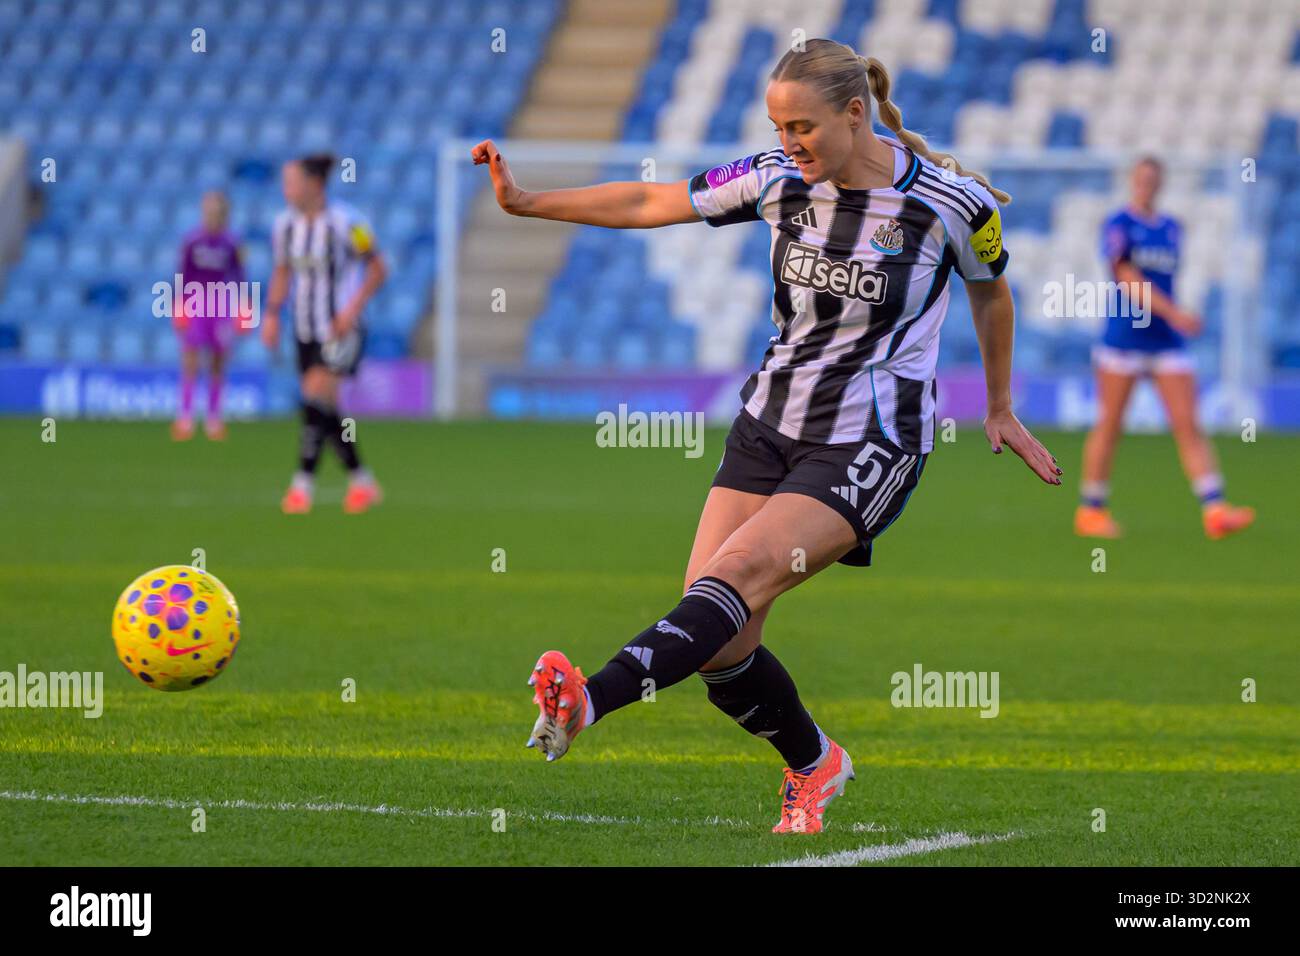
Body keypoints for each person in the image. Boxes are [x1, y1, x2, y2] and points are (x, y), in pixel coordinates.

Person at [476, 38, 1060, 833]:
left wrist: (998, 405)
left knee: (741, 573)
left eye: (802, 127)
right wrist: (529, 202)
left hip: (871, 442)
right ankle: (816, 762)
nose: (789, 143)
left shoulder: (951, 206)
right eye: (779, 127)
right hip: (769, 423)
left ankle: (586, 702)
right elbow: (654, 202)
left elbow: (993, 295)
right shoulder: (776, 178)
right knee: (717, 639)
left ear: (856, 115)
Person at [1075, 157, 1254, 540]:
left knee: (1188, 422)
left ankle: (1215, 507)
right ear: (1132, 181)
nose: (1147, 185)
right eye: (1141, 178)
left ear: (1160, 183)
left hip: (1165, 341)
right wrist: (1174, 312)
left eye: (1153, 179)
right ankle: (1090, 508)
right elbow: (1125, 277)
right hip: (1125, 337)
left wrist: (1171, 316)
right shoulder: (1119, 224)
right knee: (1110, 423)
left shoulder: (1172, 227)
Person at [262, 154, 387, 514]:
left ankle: (302, 486)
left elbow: (378, 269)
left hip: (340, 328)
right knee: (325, 407)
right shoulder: (284, 225)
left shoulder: (348, 223)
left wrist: (350, 312)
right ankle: (362, 480)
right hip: (304, 327)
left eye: (292, 181)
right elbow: (282, 272)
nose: (286, 189)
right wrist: (271, 315)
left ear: (314, 184)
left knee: (315, 395)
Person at [172, 190, 245, 441]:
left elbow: (238, 276)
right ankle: (186, 417)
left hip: (220, 304)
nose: (212, 216)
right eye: (208, 211)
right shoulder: (192, 241)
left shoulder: (232, 243)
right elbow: (183, 275)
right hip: (195, 302)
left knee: (217, 363)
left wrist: (241, 308)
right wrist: (179, 306)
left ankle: (214, 418)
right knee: (190, 361)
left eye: (216, 211)